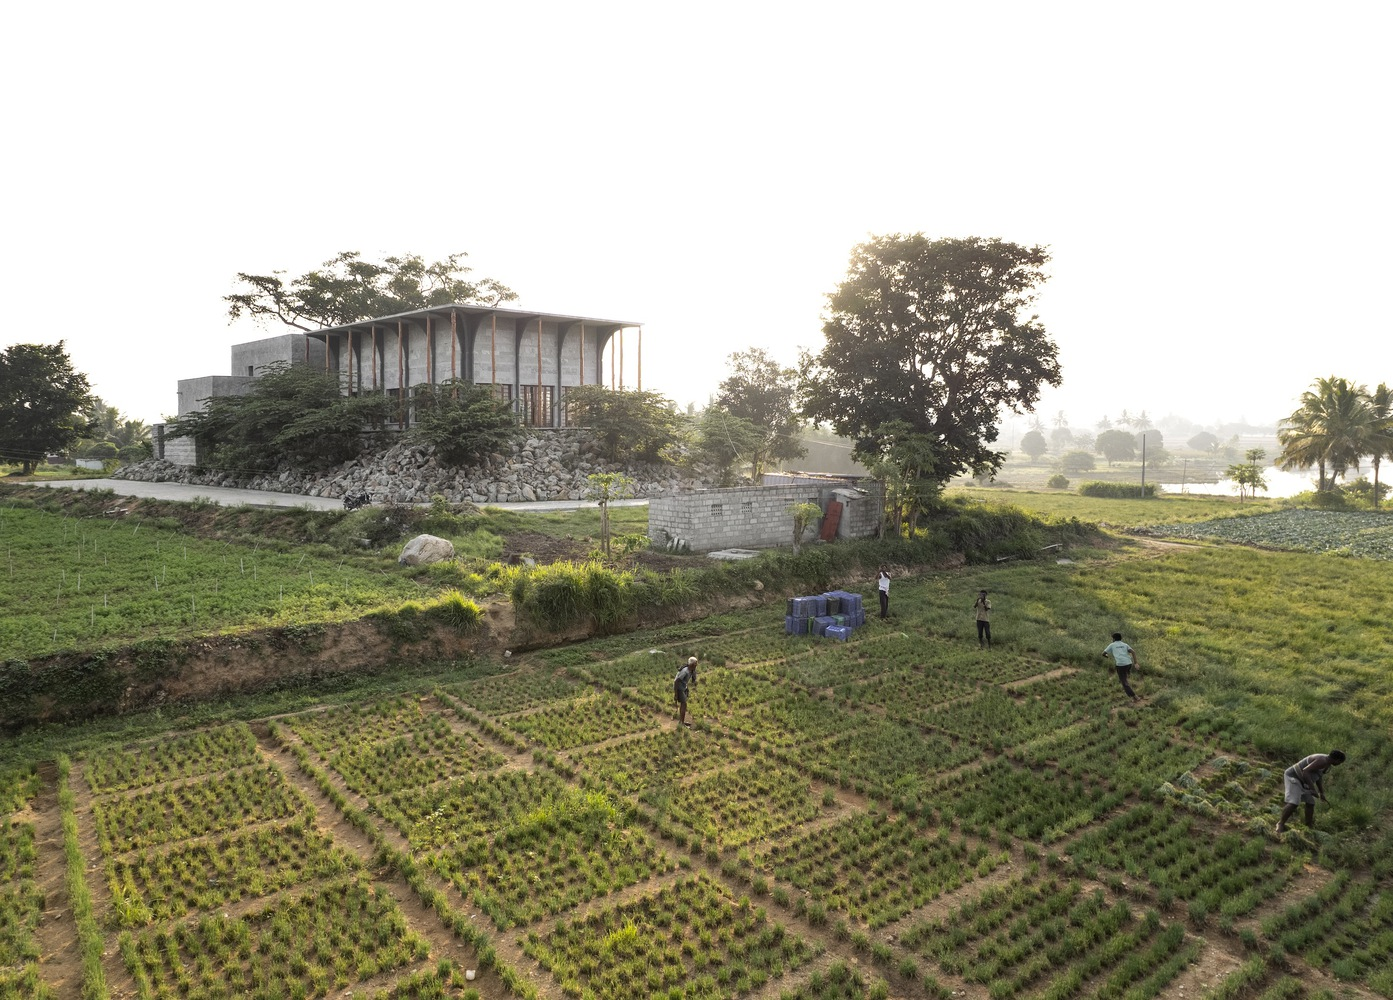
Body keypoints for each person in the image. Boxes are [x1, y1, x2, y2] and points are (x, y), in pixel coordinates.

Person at [1275, 750, 1346, 833]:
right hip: (1294, 777)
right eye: (1340, 762)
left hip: (1304, 781)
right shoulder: (1322, 760)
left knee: (1310, 803)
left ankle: (1308, 827)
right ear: (1337, 760)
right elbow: (1305, 771)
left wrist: (1321, 792)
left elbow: (1319, 777)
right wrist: (1312, 789)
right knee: (1294, 802)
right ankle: (1280, 823)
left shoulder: (1327, 764)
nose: (1339, 764)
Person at [1102, 632, 1139, 700]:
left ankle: (1134, 696)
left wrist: (1107, 656)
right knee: (1125, 676)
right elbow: (1133, 652)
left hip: (1121, 665)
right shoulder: (1125, 644)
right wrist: (1136, 663)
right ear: (1121, 638)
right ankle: (1128, 681)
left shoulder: (1112, 645)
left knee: (1124, 682)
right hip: (1129, 663)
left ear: (1113, 639)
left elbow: (1103, 653)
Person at [674, 656, 698, 727]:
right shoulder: (685, 671)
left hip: (683, 687)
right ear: (692, 664)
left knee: (683, 704)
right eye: (695, 664)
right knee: (684, 704)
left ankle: (681, 722)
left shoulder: (691, 670)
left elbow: (692, 680)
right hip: (679, 688)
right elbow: (676, 681)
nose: (696, 665)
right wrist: (676, 694)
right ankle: (681, 723)